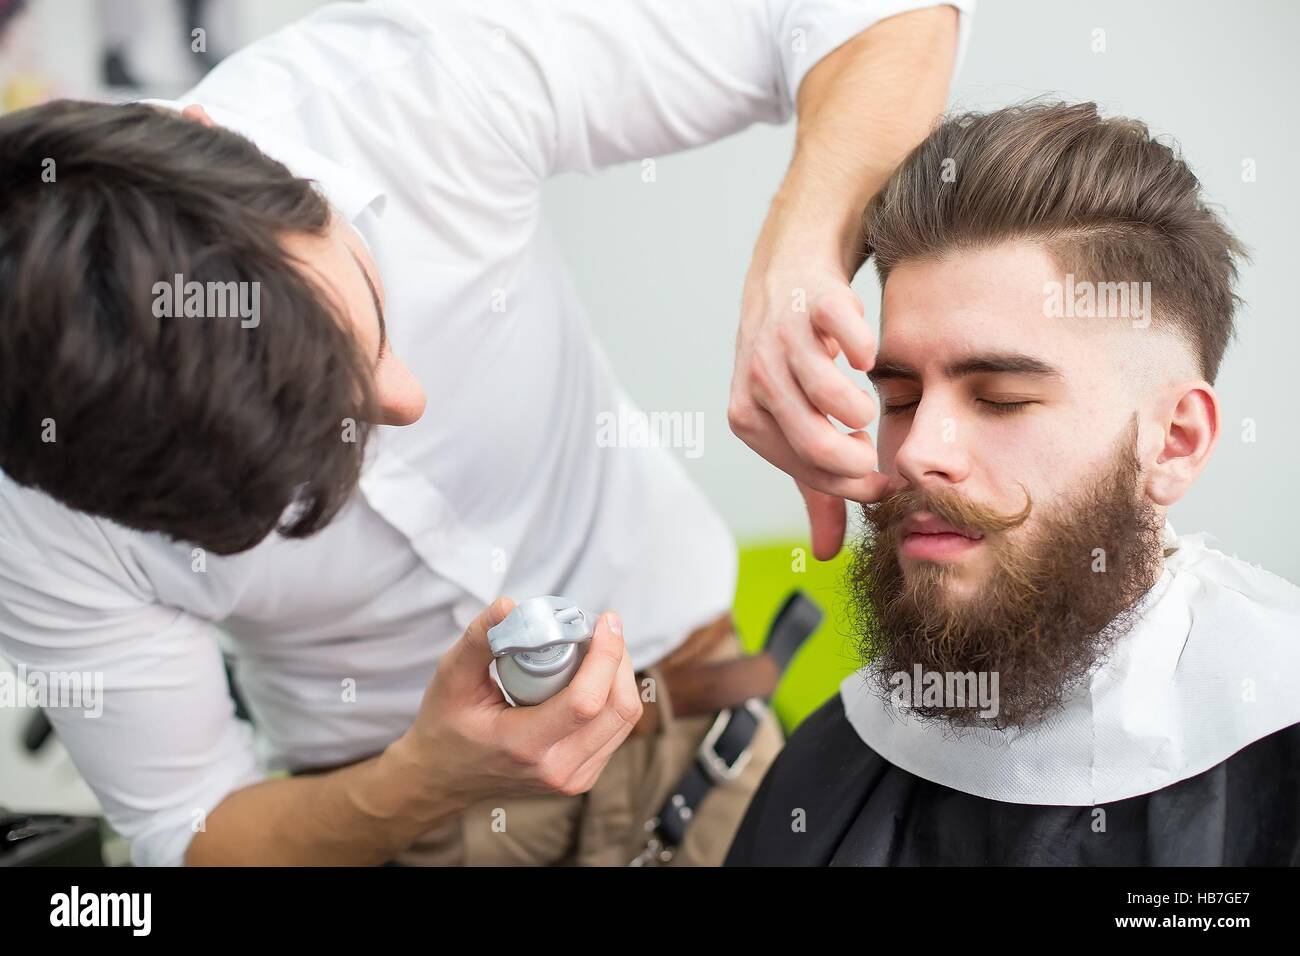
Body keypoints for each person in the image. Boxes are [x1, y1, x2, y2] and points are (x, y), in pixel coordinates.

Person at [0, 0, 971, 865]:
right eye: (308, 465)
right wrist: (426, 775)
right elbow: (190, 829)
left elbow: (875, 14)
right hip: (384, 821)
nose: (407, 397)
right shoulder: (36, 515)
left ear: (229, 146)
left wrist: (799, 258)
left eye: (368, 320)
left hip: (704, 738)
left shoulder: (411, 84)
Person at [727, 102, 1300, 866]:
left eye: (1000, 400)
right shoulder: (833, 757)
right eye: (897, 399)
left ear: (1174, 442)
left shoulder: (1273, 729)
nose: (918, 452)